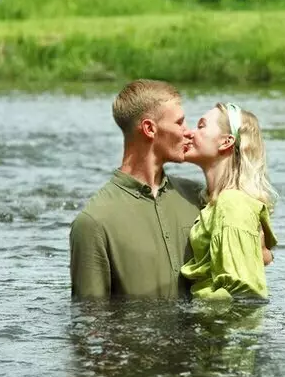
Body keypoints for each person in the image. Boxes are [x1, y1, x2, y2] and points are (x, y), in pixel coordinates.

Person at [69, 80, 203, 299]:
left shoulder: (198, 198)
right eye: (180, 123)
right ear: (150, 129)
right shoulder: (93, 223)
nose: (189, 132)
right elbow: (90, 323)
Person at [179, 102, 277, 299]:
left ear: (226, 142)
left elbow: (245, 293)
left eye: (201, 126)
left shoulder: (232, 203)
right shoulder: (216, 203)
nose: (189, 133)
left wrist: (190, 315)